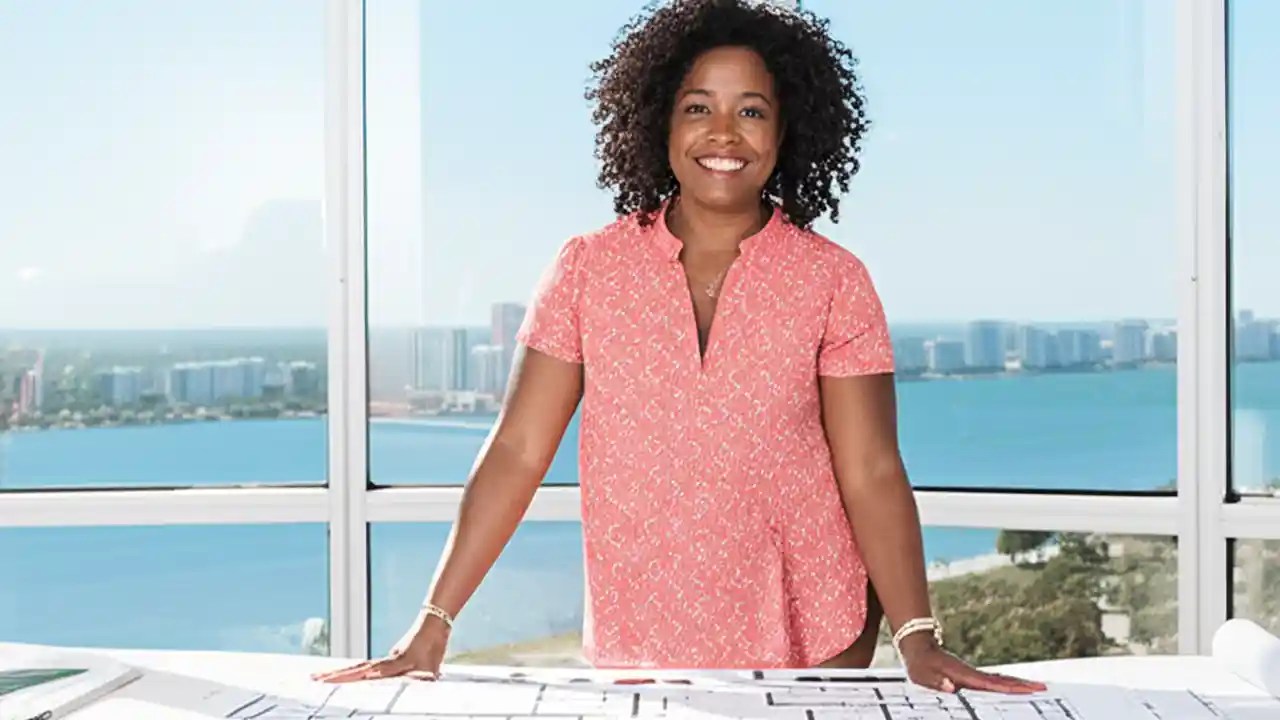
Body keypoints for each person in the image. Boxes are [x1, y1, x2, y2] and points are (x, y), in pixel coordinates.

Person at [316, 0, 1045, 693]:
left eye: (751, 111)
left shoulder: (834, 280)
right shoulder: (587, 269)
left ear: (786, 130)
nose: (723, 134)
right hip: (644, 642)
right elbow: (517, 450)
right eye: (698, 108)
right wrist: (433, 623)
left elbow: (871, 468)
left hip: (814, 631)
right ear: (659, 122)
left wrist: (918, 636)